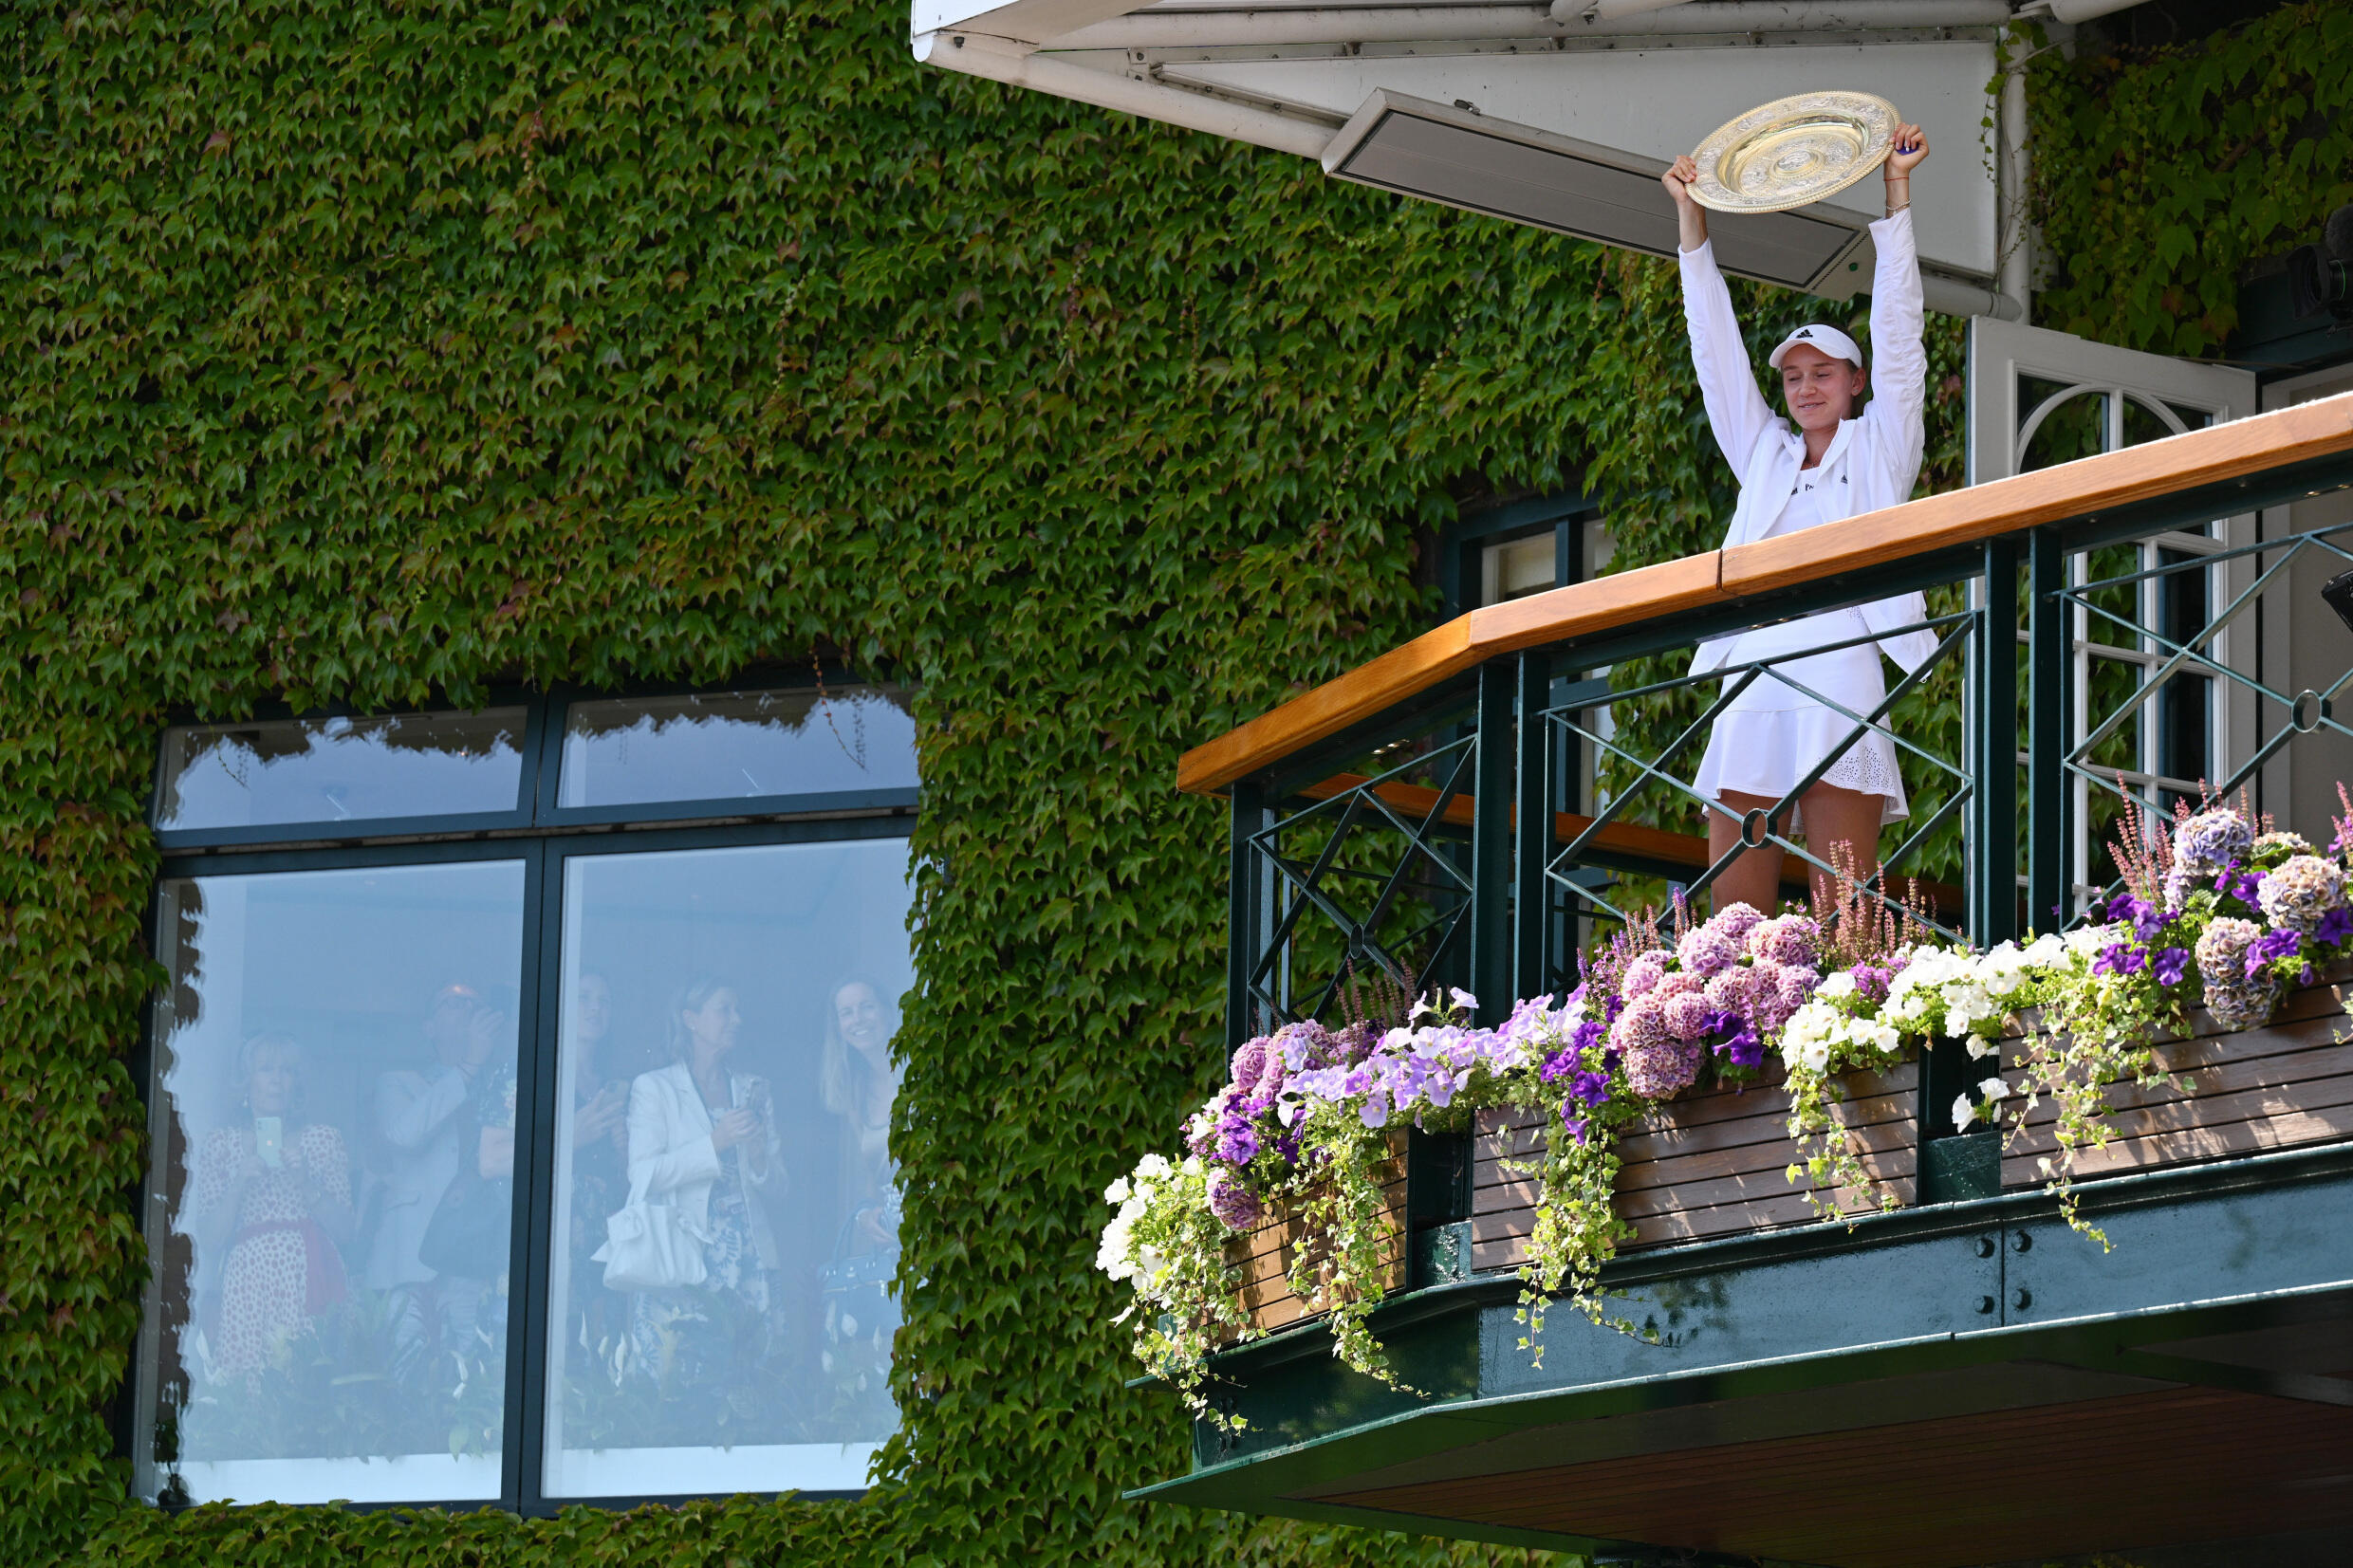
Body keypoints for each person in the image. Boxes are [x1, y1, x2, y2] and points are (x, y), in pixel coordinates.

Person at [1661, 121, 1939, 915]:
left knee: (1840, 908)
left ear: (1854, 383)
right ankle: (1724, 1034)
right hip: (1754, 674)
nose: (1805, 387)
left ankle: (1842, 1034)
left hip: (1841, 664)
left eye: (1824, 373)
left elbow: (1899, 336)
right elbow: (1714, 355)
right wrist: (1692, 220)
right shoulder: (1766, 457)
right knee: (1734, 917)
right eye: (1792, 376)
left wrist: (1896, 193)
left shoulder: (1882, 448)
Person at [621, 977, 788, 1385]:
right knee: (682, 1379)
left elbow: (781, 1189)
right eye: (725, 1009)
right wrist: (716, 1143)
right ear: (690, 1020)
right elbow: (642, 1174)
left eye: (738, 1010)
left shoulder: (753, 1088)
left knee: (749, 1379)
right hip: (685, 1256)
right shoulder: (655, 1088)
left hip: (747, 1253)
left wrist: (758, 1153)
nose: (737, 1019)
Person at [189, 1033, 354, 1379]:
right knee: (249, 1386)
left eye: (287, 1071)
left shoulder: (323, 1139)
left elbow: (346, 1231)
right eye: (266, 1069)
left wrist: (307, 1184)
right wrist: (238, 1184)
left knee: (307, 1385)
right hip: (248, 1283)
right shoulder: (222, 1143)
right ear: (246, 1081)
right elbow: (209, 1239)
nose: (277, 1080)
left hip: (309, 1279)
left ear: (297, 1084)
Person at [367, 983, 508, 1371]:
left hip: (478, 1262)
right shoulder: (399, 1082)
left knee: (473, 1379)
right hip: (416, 1263)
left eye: (475, 1004)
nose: (467, 1009)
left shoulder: (501, 1088)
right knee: (408, 1379)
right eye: (454, 1002)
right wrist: (467, 1068)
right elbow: (402, 1135)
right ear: (429, 1027)